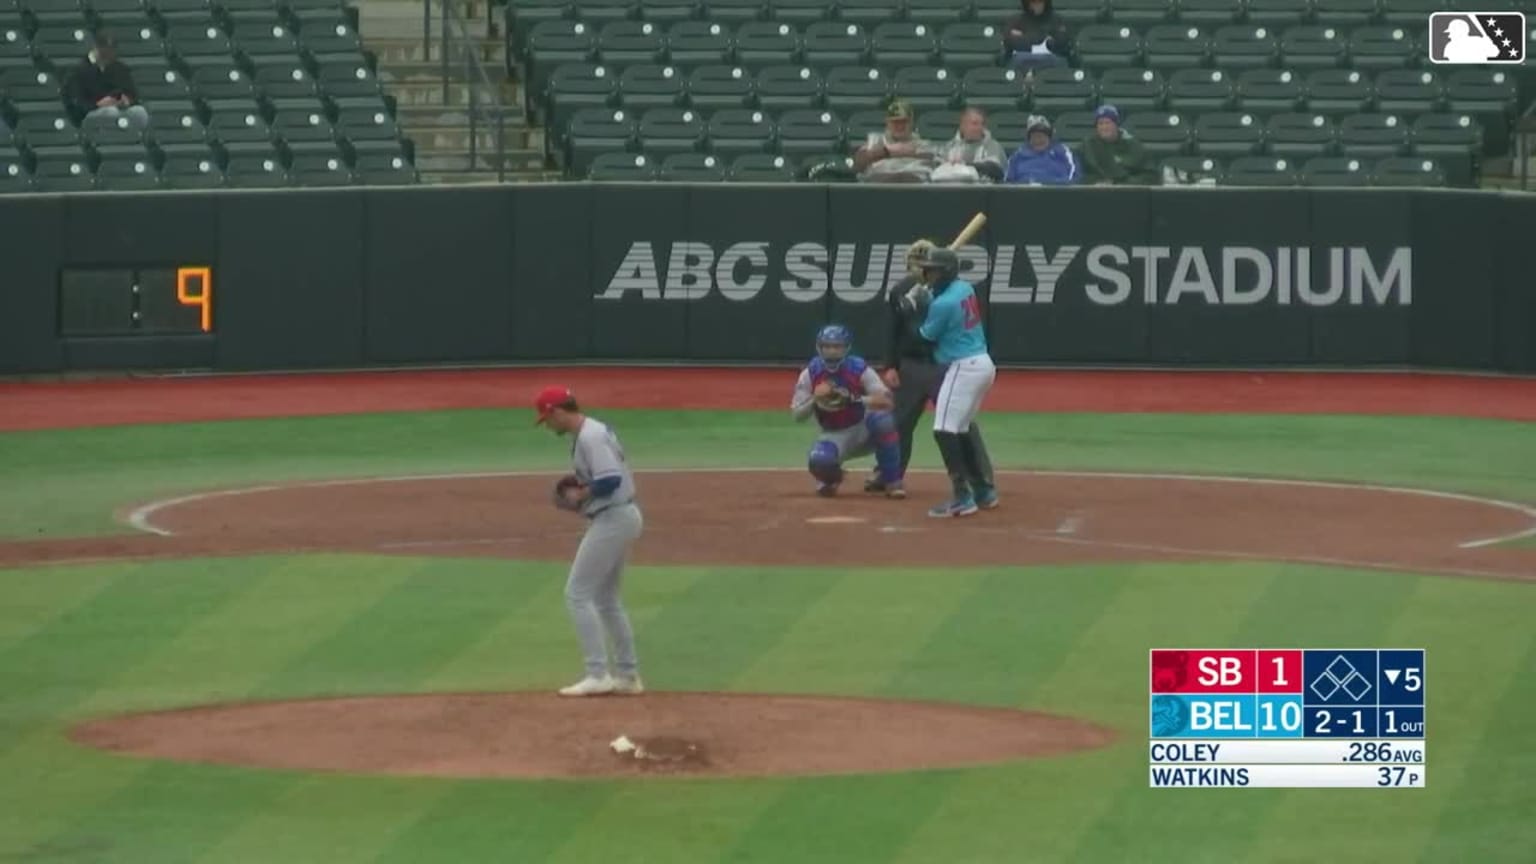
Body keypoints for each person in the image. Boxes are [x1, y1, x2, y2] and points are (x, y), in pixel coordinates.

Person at [864, 240, 997, 500]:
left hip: (944, 364)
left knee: (959, 423)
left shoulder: (946, 294)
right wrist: (891, 364)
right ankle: (888, 473)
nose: (923, 268)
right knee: (899, 422)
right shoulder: (902, 289)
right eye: (918, 262)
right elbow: (893, 330)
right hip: (912, 365)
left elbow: (927, 334)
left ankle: (980, 479)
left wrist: (918, 306)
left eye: (927, 264)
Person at [536, 385, 646, 697]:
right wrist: (583, 490)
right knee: (606, 599)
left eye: (547, 419)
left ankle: (597, 674)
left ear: (558, 411)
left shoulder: (590, 436)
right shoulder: (591, 432)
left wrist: (581, 494)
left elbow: (609, 479)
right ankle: (627, 675)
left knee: (577, 594)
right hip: (621, 515)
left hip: (614, 518)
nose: (548, 425)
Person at [901, 247, 999, 517]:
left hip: (962, 367)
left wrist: (911, 310)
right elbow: (939, 296)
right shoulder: (964, 288)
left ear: (945, 272)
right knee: (961, 428)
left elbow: (922, 338)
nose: (927, 275)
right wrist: (926, 296)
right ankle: (983, 491)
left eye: (932, 271)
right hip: (982, 364)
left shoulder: (943, 305)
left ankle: (962, 497)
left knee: (944, 430)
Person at [791, 324, 905, 498]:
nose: (832, 351)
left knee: (884, 421)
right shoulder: (810, 374)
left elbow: (887, 402)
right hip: (833, 435)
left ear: (847, 348)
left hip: (863, 428)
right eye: (827, 346)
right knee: (819, 461)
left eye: (837, 346)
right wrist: (815, 398)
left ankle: (891, 480)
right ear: (819, 347)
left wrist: (853, 399)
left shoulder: (859, 369)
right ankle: (832, 478)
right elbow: (797, 416)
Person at [65, 31, 148, 129]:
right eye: (105, 51)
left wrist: (127, 100)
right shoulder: (78, 71)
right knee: (110, 112)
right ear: (96, 48)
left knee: (139, 112)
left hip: (119, 109)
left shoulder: (120, 68)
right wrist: (99, 105)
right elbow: (76, 103)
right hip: (91, 113)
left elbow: (133, 94)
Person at [852, 99, 934, 184]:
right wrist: (886, 152)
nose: (900, 126)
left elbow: (934, 161)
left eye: (904, 122)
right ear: (887, 123)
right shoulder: (875, 141)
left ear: (911, 122)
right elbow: (858, 164)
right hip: (879, 185)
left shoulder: (923, 145)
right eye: (895, 122)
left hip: (915, 186)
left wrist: (911, 152)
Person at [930, 107, 1007, 184]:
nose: (979, 127)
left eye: (982, 124)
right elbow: (936, 167)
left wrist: (964, 165)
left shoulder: (993, 146)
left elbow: (995, 170)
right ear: (963, 126)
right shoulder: (949, 147)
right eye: (975, 124)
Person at [1081, 105, 1154, 186]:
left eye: (1108, 123)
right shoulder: (1089, 144)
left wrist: (1123, 184)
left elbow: (1150, 176)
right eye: (1100, 123)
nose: (1104, 127)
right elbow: (1084, 173)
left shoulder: (1132, 144)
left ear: (1116, 124)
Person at [1004, 115, 1081, 185]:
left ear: (1049, 137)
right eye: (1034, 137)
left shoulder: (1062, 151)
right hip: (1024, 192)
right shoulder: (1018, 155)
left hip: (1057, 192)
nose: (1038, 140)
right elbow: (1008, 180)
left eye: (1041, 136)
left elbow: (1074, 175)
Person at [1003, 0, 1071, 71]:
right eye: (1033, 2)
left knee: (1061, 62)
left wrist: (1024, 37)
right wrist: (1044, 39)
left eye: (1040, 2)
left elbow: (1061, 41)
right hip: (1021, 60)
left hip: (1051, 60)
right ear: (1028, 4)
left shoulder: (1058, 20)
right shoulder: (1016, 20)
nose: (1037, 5)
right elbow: (1010, 41)